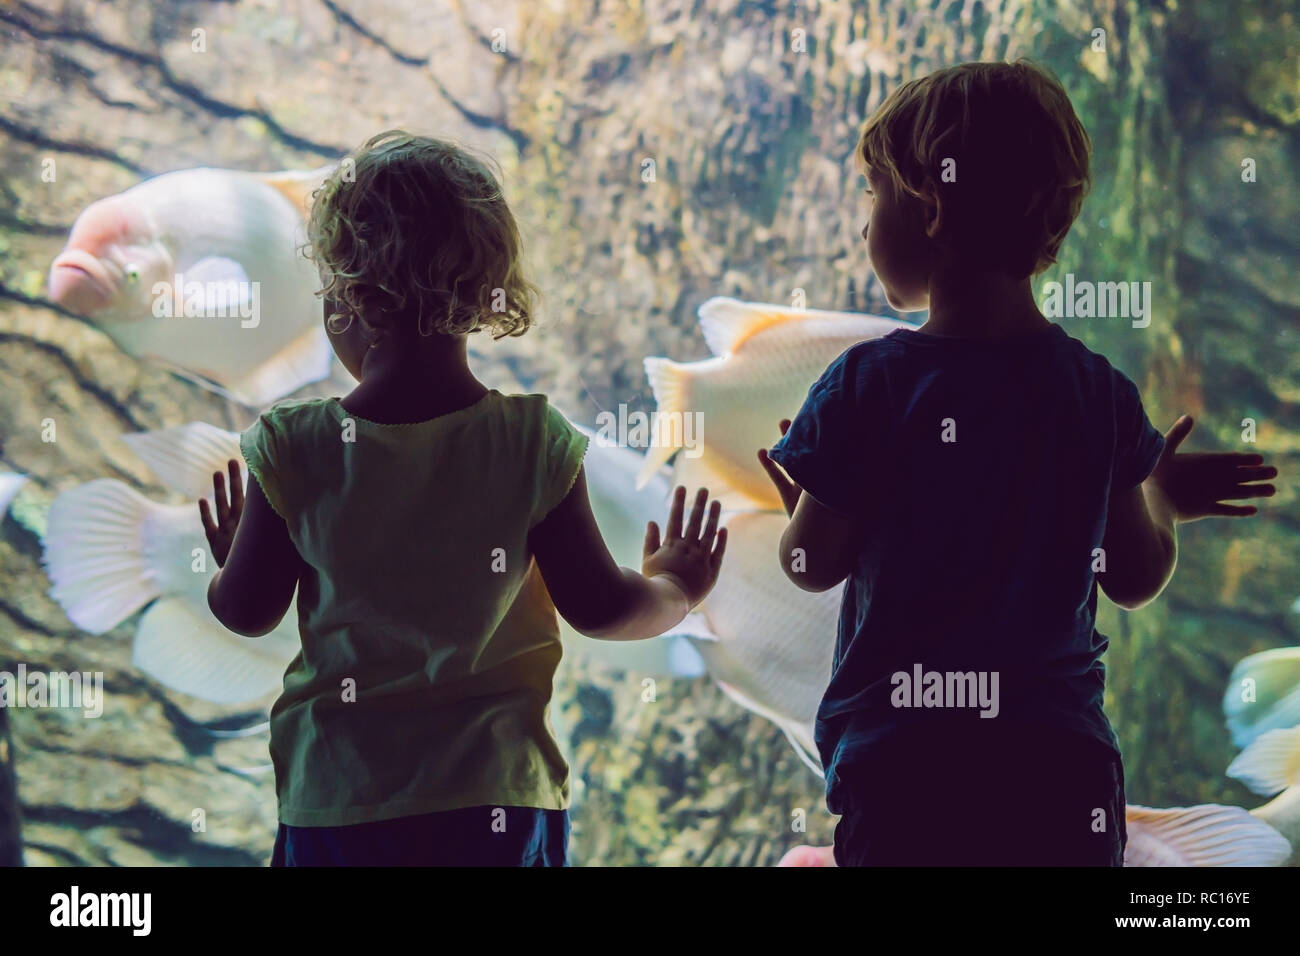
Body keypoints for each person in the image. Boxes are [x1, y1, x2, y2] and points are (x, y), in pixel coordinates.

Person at [757, 61, 1278, 866]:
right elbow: (1134, 578)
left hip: (905, 772)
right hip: (1057, 775)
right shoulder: (1095, 392)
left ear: (928, 206)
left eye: (874, 195)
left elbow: (809, 565)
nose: (866, 226)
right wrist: (1162, 497)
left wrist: (805, 505)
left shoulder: (866, 384)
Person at [197, 130, 726, 866]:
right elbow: (601, 609)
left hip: (340, 803)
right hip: (492, 807)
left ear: (348, 296)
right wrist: (678, 585)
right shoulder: (531, 441)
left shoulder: (295, 446)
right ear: (486, 293)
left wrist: (229, 563)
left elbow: (248, 613)